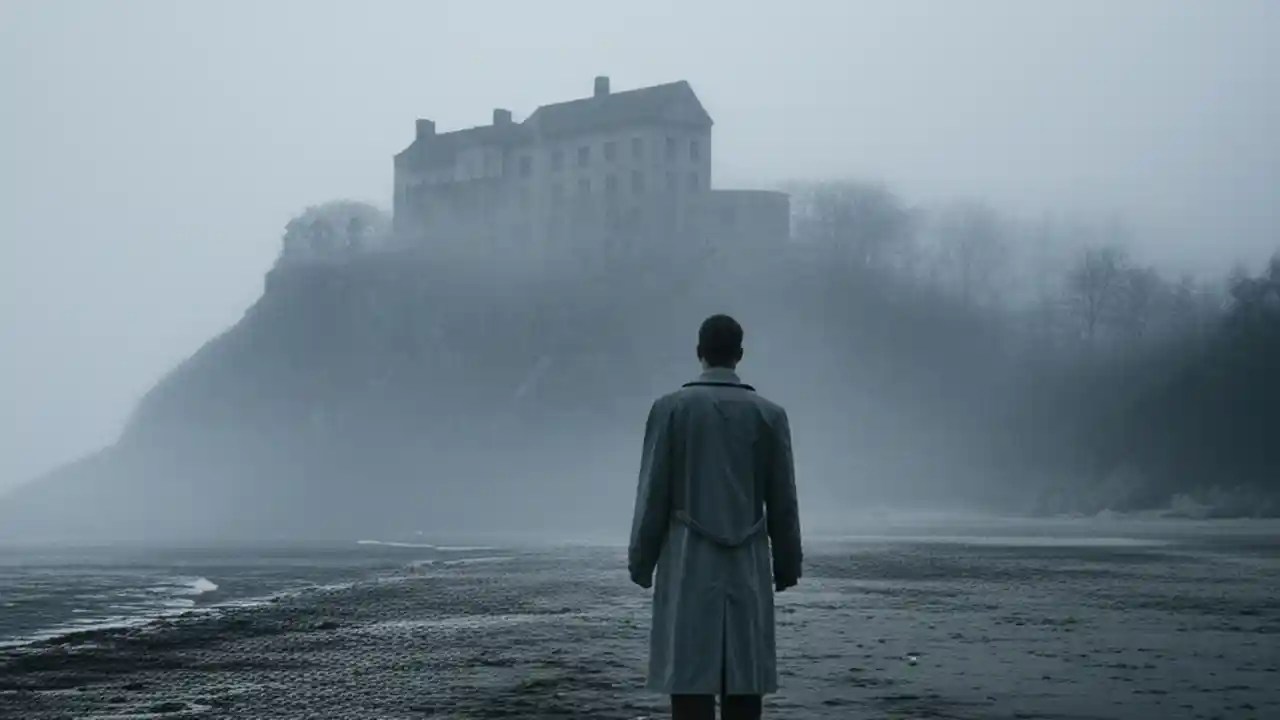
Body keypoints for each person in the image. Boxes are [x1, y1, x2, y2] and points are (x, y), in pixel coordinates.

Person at [628, 314, 803, 720]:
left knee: (689, 676)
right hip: (748, 561)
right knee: (745, 676)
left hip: (688, 561)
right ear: (740, 354)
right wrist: (788, 565)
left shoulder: (671, 410)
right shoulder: (769, 415)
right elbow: (783, 502)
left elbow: (653, 493)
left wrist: (642, 561)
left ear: (699, 352)